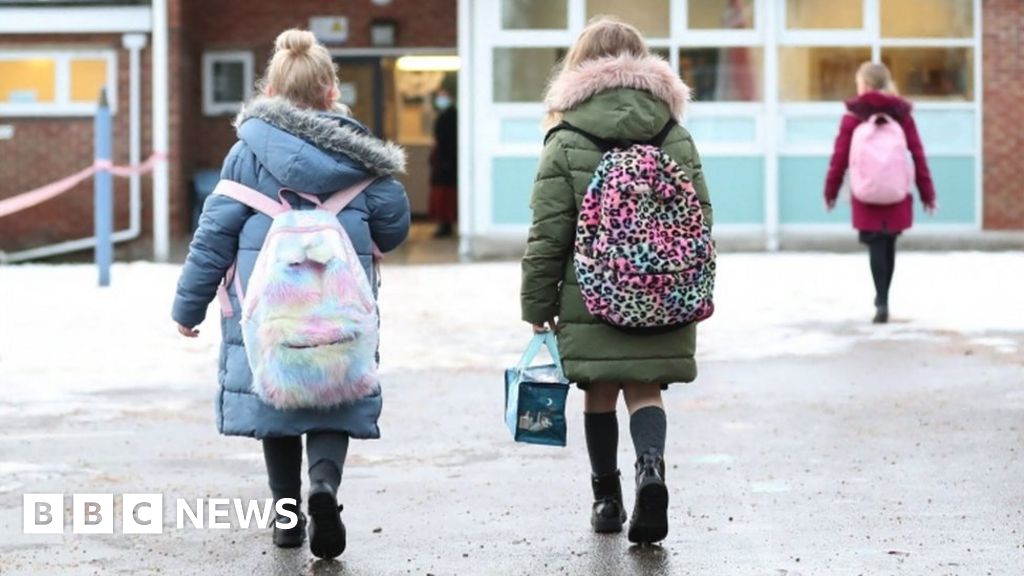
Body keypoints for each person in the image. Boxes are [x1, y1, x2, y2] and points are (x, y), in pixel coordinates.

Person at [172, 29, 410, 558]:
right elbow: (393, 229)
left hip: (267, 311)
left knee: (275, 406)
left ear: (271, 92)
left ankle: (286, 517)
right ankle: (323, 485)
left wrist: (188, 306)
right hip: (338, 308)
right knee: (336, 391)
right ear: (331, 92)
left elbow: (212, 237)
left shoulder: (244, 155)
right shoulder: (365, 158)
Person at [520, 17, 713, 544]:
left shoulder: (566, 138)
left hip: (591, 293)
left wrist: (537, 301)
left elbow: (548, 232)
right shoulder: (674, 135)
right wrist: (675, 274)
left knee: (600, 390)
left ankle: (607, 500)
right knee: (646, 387)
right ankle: (651, 469)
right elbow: (703, 218)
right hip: (665, 293)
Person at [825, 62, 937, 323]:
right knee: (889, 244)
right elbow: (918, 155)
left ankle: (880, 302)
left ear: (863, 84)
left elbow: (839, 158)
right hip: (896, 191)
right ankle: (884, 298)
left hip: (866, 192)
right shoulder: (901, 114)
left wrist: (830, 191)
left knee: (875, 243)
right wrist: (927, 193)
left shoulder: (853, 116)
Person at [428, 76, 458, 238]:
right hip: (442, 162)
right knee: (440, 195)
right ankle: (443, 223)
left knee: (446, 195)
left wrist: (446, 161)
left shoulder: (451, 116)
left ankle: (446, 223)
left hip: (447, 163)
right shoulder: (443, 115)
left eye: (444, 95)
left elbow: (448, 141)